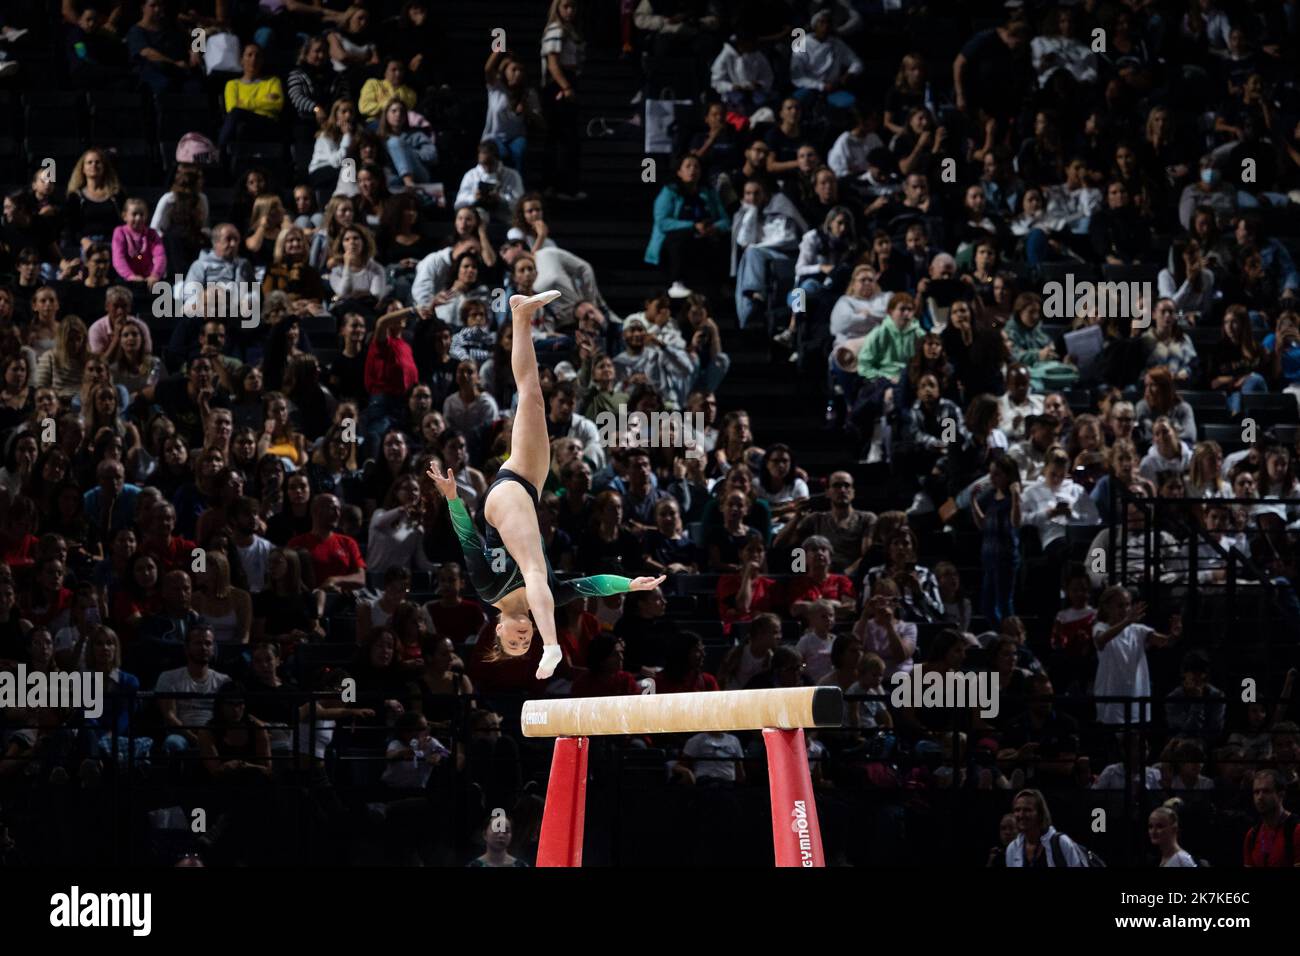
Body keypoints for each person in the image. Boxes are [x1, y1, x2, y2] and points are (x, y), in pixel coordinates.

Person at [429, 290, 665, 678]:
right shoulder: (550, 599)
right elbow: (590, 585)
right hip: (528, 485)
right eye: (527, 642)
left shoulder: (490, 590)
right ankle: (521, 316)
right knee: (533, 396)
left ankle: (553, 649)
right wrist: (630, 584)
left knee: (535, 570)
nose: (521, 636)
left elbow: (469, 541)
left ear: (498, 629)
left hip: (504, 499)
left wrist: (453, 499)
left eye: (512, 640)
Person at [1092, 586, 1181, 727]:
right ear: (1107, 607)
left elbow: (1164, 642)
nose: (1126, 609)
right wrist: (1127, 621)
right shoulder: (1101, 627)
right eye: (1120, 605)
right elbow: (1100, 641)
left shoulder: (1138, 630)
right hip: (1111, 693)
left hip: (1135, 692)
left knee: (1136, 737)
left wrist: (1173, 636)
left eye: (1128, 605)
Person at [1005, 788, 1089, 867]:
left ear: (1040, 814)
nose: (1021, 815)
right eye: (1017, 810)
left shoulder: (1061, 843)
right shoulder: (1012, 849)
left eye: (1027, 810)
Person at [1243, 769, 1300, 867]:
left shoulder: (1296, 830)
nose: (1260, 797)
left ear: (1281, 795)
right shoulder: (1252, 835)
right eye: (1256, 792)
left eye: (1266, 791)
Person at [1150, 800, 1198, 867]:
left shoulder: (1182, 860)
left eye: (1160, 826)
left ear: (1174, 829)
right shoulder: (1161, 859)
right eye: (1151, 826)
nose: (1153, 831)